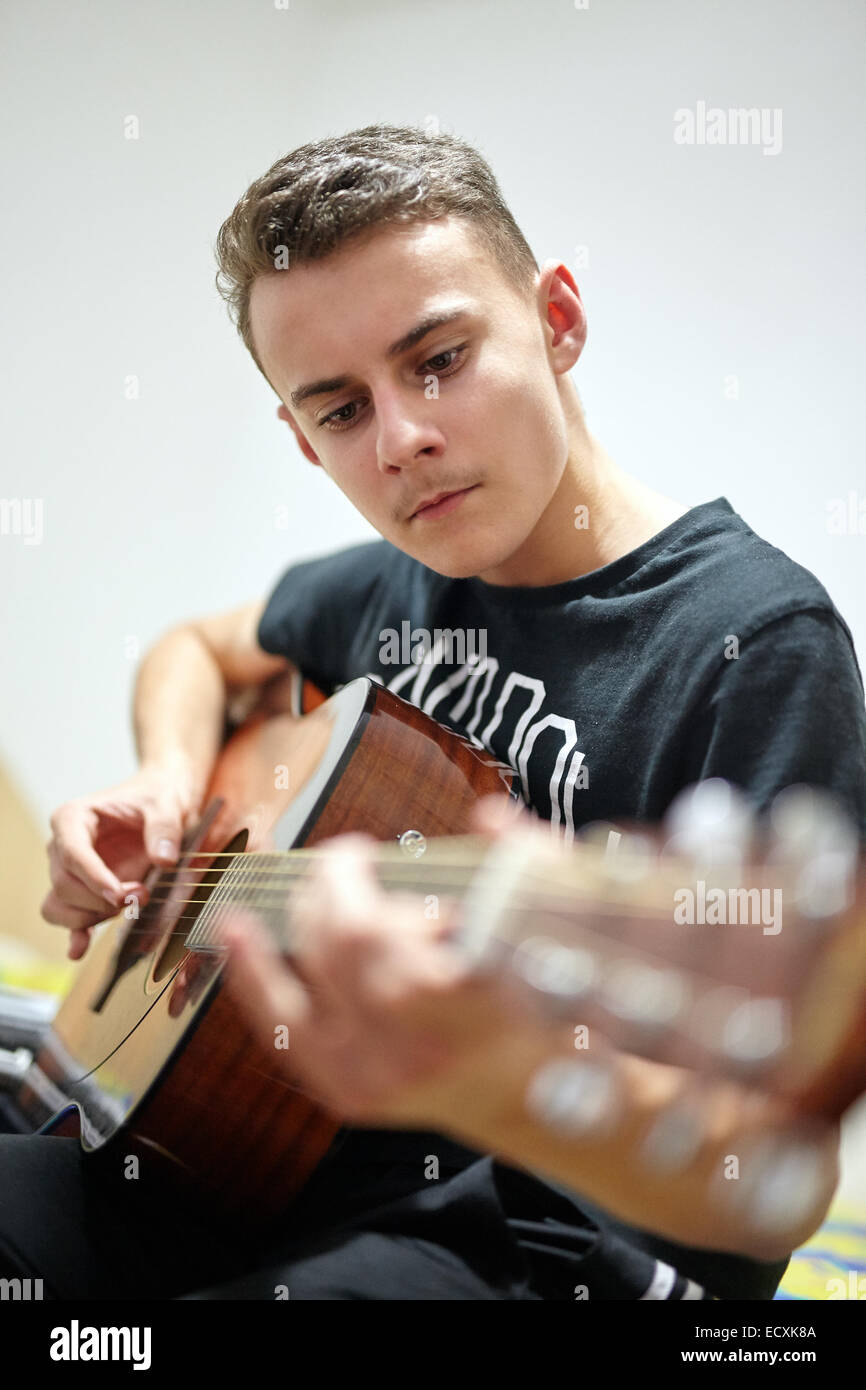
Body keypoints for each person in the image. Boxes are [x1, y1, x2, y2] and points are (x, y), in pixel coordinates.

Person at [3, 124, 864, 1301]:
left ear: (556, 319)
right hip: (257, 1158)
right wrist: (164, 782)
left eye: (439, 359)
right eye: (341, 410)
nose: (403, 437)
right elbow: (194, 652)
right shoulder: (391, 582)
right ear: (303, 444)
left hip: (542, 1241)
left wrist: (493, 1073)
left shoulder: (751, 641)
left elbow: (763, 1169)